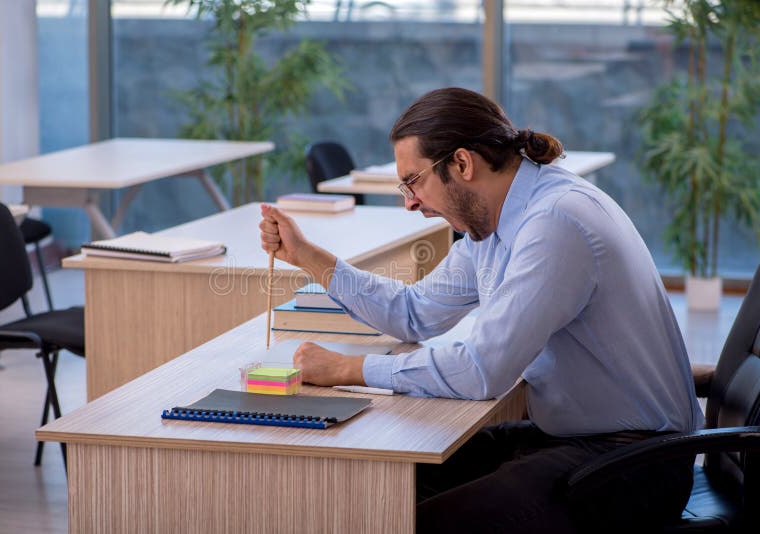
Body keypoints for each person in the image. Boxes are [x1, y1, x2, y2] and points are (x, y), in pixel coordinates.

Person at [259, 87, 702, 533]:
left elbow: (481, 370)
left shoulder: (555, 224)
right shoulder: (490, 225)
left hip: (635, 464)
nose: (409, 202)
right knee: (385, 485)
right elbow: (414, 313)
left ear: (462, 164)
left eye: (413, 181)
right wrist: (309, 256)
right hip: (575, 439)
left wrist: (347, 369)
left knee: (413, 522)